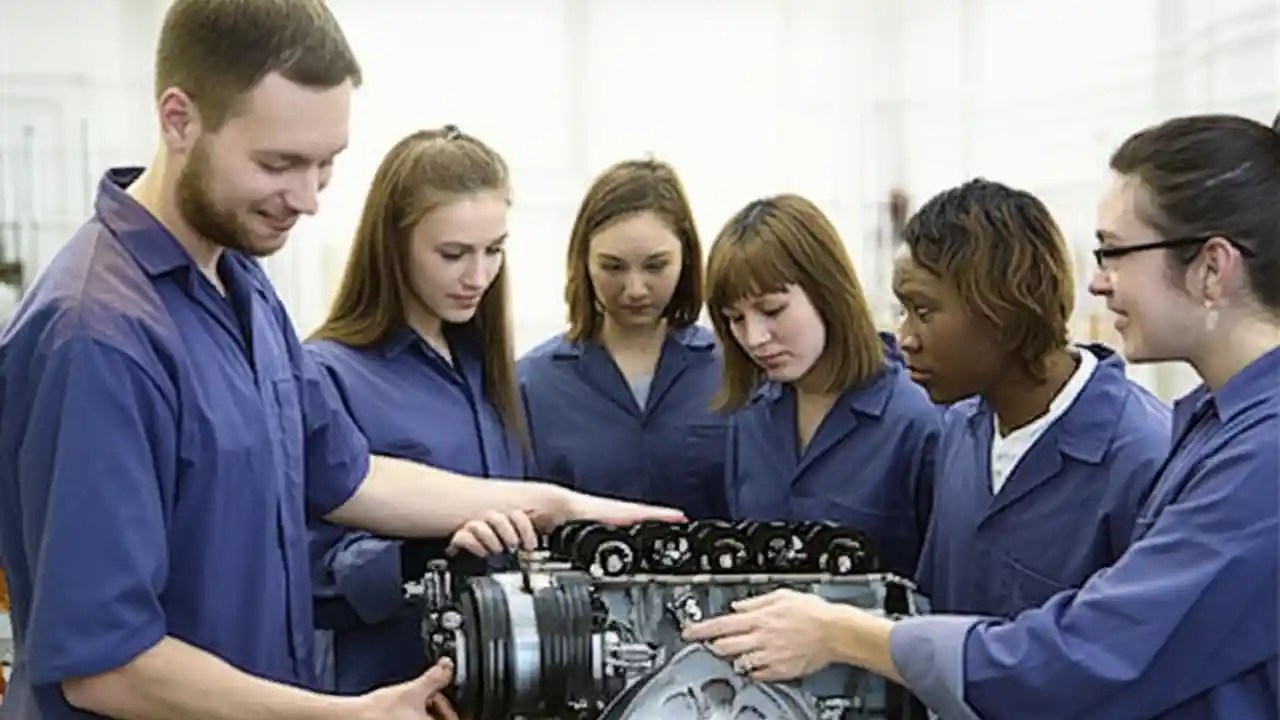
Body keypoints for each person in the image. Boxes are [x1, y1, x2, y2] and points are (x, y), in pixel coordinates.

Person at [0, 3, 682, 719]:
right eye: (279, 164)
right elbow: (105, 666)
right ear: (178, 120)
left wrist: (549, 507)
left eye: (327, 165)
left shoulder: (240, 284)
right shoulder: (96, 336)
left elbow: (347, 474)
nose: (309, 199)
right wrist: (345, 715)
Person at [684, 113, 1279, 719]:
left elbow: (1090, 654)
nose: (1098, 283)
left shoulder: (1214, 455)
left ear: (1212, 267)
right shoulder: (971, 433)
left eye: (1116, 253)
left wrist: (846, 634)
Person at [303, 126, 530, 694]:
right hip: (385, 694)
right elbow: (305, 574)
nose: (478, 276)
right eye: (453, 254)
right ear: (393, 244)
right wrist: (423, 555)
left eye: (494, 250)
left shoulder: (493, 374)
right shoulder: (326, 376)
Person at [895, 178, 1171, 618]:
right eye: (902, 311)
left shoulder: (1144, 458)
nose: (905, 338)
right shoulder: (961, 432)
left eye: (923, 311)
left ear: (1003, 311)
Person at [704, 194, 940, 578]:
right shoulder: (749, 418)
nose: (754, 337)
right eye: (735, 318)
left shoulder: (916, 422)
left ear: (826, 290)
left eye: (772, 310)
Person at [518, 159, 729, 521]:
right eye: (613, 267)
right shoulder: (530, 384)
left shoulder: (733, 371)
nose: (635, 290)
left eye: (655, 266)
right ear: (583, 263)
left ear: (687, 259)